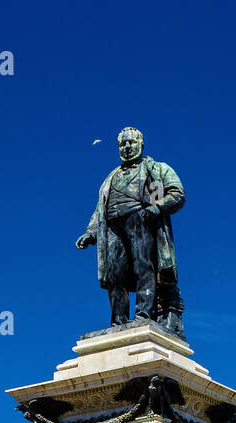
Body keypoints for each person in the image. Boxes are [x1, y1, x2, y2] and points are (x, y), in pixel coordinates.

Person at [76, 126, 186, 333]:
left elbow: (177, 193)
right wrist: (90, 232)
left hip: (140, 218)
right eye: (122, 144)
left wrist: (155, 208)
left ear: (141, 145)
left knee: (142, 266)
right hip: (112, 226)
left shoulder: (156, 168)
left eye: (131, 143)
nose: (127, 147)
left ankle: (142, 314)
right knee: (115, 274)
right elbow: (100, 209)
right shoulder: (112, 176)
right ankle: (118, 321)